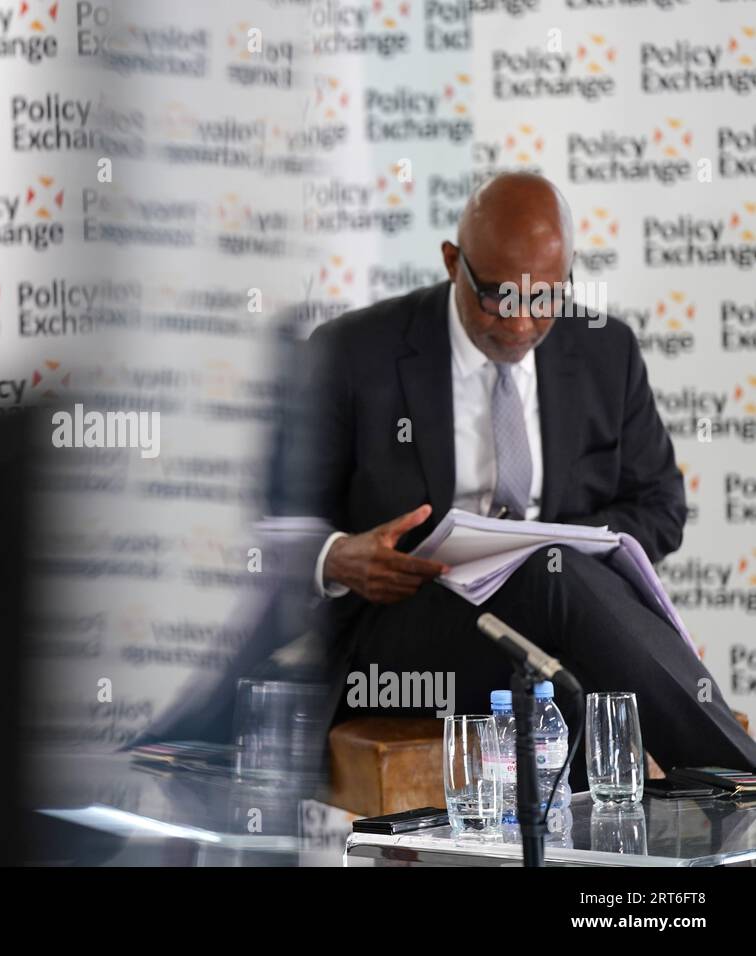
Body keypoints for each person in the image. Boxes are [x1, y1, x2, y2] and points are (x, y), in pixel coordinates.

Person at [305, 172, 756, 789]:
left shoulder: (606, 352)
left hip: (555, 631)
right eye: (495, 295)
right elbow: (281, 519)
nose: (519, 323)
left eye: (544, 298)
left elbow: (659, 505)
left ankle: (631, 857)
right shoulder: (354, 352)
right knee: (556, 580)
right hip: (404, 636)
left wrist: (566, 544)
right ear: (450, 263)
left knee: (558, 591)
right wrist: (336, 558)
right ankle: (741, 779)